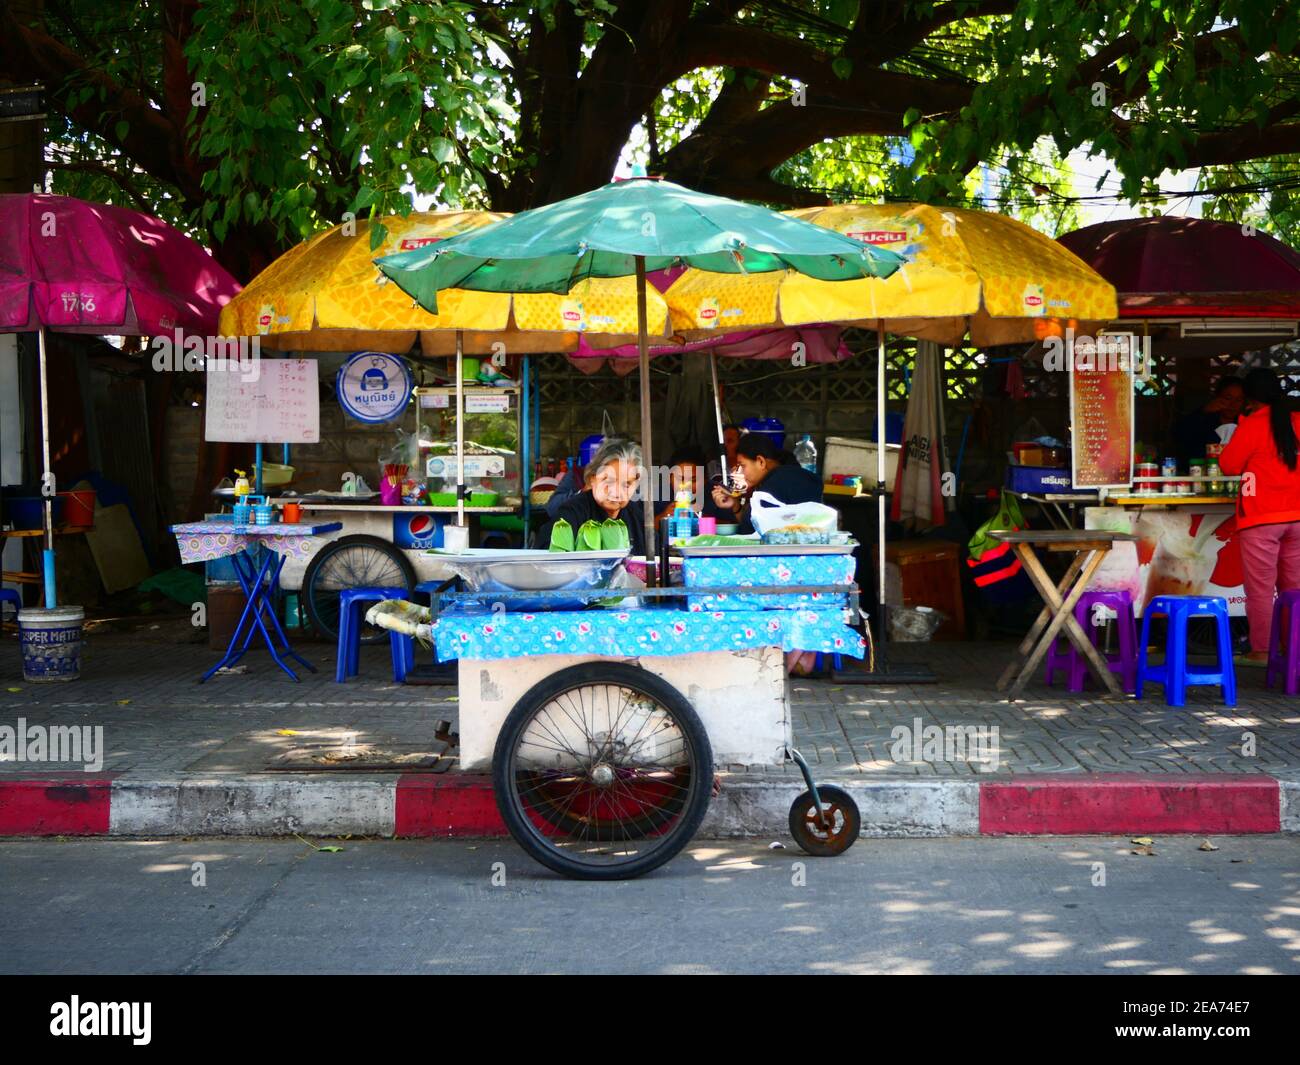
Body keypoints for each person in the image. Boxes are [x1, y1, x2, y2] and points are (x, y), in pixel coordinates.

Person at [1218, 368, 1300, 663]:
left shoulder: (1252, 425)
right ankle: (1294, 650)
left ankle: (1262, 651)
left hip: (1261, 517)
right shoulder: (1296, 421)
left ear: (1249, 397)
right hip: (1297, 517)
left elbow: (1228, 465)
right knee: (1295, 589)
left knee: (1261, 591)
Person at [538, 438, 646, 557]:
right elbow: (548, 555)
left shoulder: (636, 517)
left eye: (626, 484)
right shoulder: (572, 512)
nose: (616, 492)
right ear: (592, 479)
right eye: (609, 481)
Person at [710, 432, 822, 534]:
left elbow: (749, 532)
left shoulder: (773, 485)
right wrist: (736, 506)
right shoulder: (790, 475)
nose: (740, 472)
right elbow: (752, 524)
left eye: (742, 465)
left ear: (761, 462)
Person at [1173, 377, 1245, 466]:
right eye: (1228, 398)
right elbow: (1178, 435)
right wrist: (1203, 412)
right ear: (1217, 398)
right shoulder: (1203, 420)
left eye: (1239, 400)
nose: (1232, 404)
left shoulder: (1247, 425)